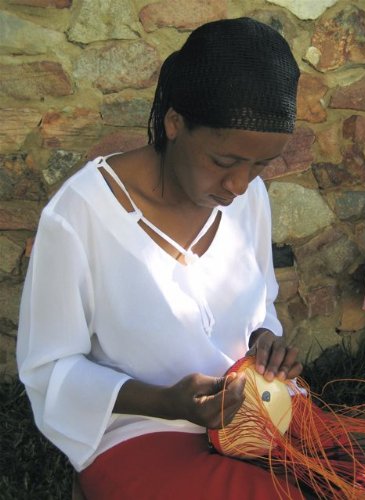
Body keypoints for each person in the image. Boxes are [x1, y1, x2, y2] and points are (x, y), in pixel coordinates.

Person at [17, 17, 304, 499]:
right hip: (138, 428)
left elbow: (258, 305)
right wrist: (167, 402)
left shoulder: (247, 197)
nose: (240, 185)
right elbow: (50, 366)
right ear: (174, 123)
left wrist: (263, 339)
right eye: (225, 162)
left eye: (260, 166)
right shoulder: (81, 215)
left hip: (251, 413)